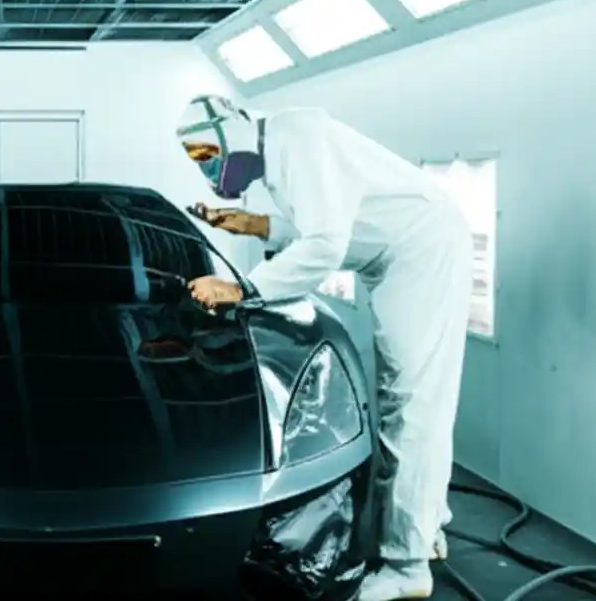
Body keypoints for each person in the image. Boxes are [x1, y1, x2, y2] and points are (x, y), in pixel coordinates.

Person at [176, 95, 472, 601]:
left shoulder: (300, 139)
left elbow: (327, 244)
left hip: (421, 250)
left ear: (235, 130)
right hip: (395, 256)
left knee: (413, 403)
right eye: (197, 159)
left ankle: (408, 567)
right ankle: (426, 524)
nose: (208, 166)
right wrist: (253, 224)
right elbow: (330, 220)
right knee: (409, 399)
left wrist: (242, 288)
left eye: (207, 152)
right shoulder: (286, 151)